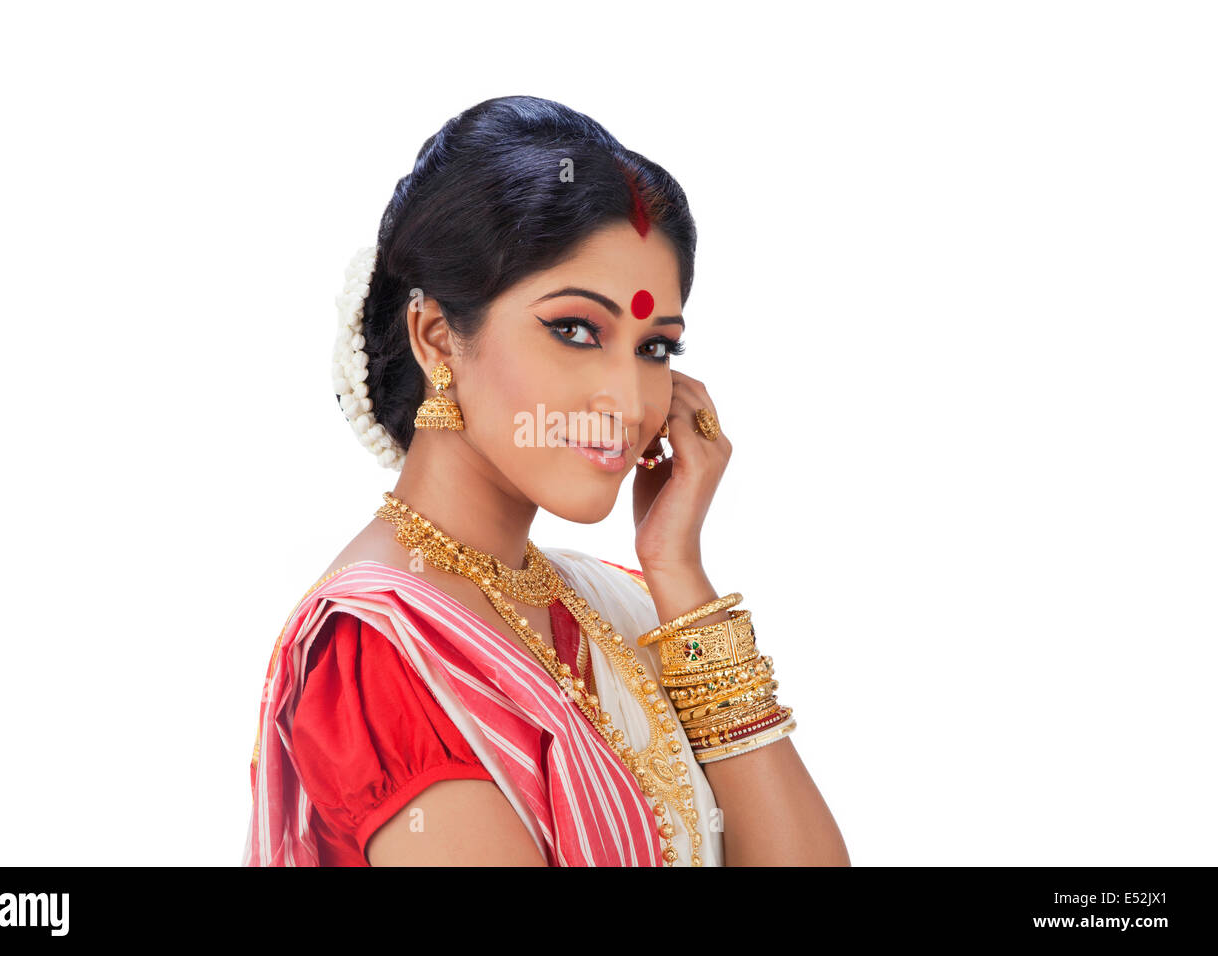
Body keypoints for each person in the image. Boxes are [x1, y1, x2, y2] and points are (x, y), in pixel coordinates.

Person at [243, 95, 850, 867]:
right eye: (575, 331)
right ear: (436, 338)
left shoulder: (618, 605)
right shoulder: (378, 650)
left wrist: (680, 573)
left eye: (655, 349)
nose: (629, 403)